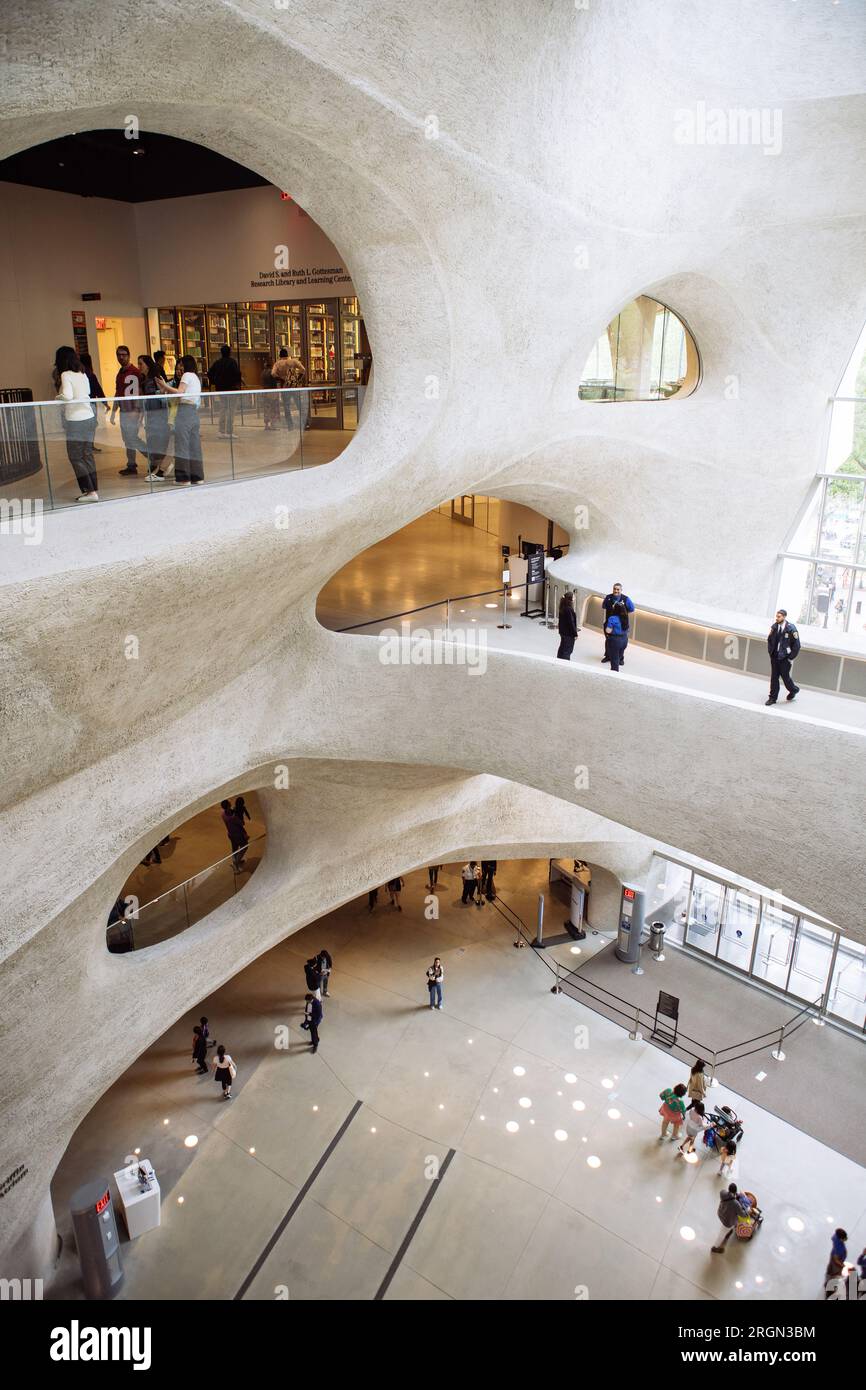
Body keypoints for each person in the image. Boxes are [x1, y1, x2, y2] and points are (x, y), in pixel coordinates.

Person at [54, 346, 98, 501]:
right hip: (89, 418)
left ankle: (90, 491)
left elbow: (67, 395)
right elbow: (86, 393)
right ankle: (93, 489)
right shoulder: (82, 373)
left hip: (76, 420)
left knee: (75, 456)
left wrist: (57, 398)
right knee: (87, 455)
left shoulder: (65, 374)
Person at [162, 355, 204, 484]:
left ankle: (183, 478)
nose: (179, 367)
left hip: (184, 411)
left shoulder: (186, 376)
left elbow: (180, 392)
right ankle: (197, 477)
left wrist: (164, 386)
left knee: (182, 445)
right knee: (194, 446)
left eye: (180, 364)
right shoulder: (196, 377)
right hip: (194, 413)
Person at [110, 344, 146, 476]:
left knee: (132, 438)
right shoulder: (120, 373)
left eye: (123, 355)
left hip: (132, 412)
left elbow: (140, 393)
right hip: (124, 412)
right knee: (128, 440)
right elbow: (118, 393)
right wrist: (113, 412)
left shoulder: (135, 372)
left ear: (129, 355)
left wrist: (139, 413)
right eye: (118, 355)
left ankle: (153, 458)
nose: (121, 357)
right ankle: (131, 465)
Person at [138, 354, 170, 479]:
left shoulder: (153, 379)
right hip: (151, 416)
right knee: (153, 441)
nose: (139, 366)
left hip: (158, 415)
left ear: (147, 364)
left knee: (158, 441)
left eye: (141, 363)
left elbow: (159, 396)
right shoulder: (145, 380)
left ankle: (159, 467)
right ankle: (155, 465)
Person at [766, 608, 801, 705]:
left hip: (785, 658)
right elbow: (769, 640)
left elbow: (797, 645)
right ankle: (772, 698)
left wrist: (790, 658)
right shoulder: (774, 627)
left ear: (784, 617)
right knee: (774, 677)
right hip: (775, 657)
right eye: (776, 616)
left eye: (779, 616)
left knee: (785, 678)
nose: (777, 618)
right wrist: (771, 652)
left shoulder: (791, 629)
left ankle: (794, 690)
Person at [207, 343, 242, 437]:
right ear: (229, 352)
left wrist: (215, 382)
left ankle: (221, 431)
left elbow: (209, 373)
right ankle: (229, 431)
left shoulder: (217, 363)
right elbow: (237, 374)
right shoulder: (232, 362)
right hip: (231, 389)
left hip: (221, 389)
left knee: (223, 408)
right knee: (231, 410)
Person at [79, 352, 109, 453]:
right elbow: (98, 390)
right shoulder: (91, 374)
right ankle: (89, 446)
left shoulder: (79, 374)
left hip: (81, 404)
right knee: (91, 427)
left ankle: (86, 446)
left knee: (84, 427)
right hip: (91, 404)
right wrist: (105, 403)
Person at [271, 347, 308, 430]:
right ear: (287, 355)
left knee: (286, 407)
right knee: (299, 405)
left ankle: (290, 426)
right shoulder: (293, 361)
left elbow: (273, 373)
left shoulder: (277, 364)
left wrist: (281, 379)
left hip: (285, 387)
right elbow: (303, 369)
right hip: (294, 387)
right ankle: (305, 424)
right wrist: (298, 379)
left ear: (280, 355)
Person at [601, 584, 634, 665]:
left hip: (622, 625)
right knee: (608, 641)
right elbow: (603, 606)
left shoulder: (626, 599)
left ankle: (620, 658)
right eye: (614, 589)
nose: (616, 591)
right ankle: (608, 656)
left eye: (618, 589)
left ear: (621, 590)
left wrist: (623, 614)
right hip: (609, 624)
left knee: (621, 642)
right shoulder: (608, 597)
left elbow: (632, 609)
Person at [711, 1183, 744, 1253]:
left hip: (721, 1213)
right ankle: (717, 1247)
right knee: (722, 1234)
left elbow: (725, 1192)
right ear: (735, 1191)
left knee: (726, 1229)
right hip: (727, 1221)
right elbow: (742, 1214)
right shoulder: (736, 1204)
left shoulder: (722, 1193)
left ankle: (728, 1233)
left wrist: (734, 1195)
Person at [220, 799, 248, 871]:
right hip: (238, 835)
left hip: (231, 834)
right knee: (244, 847)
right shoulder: (233, 817)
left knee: (234, 849)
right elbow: (242, 824)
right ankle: (236, 862)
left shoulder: (223, 814)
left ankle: (236, 861)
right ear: (229, 805)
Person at [825, 1228, 848, 1297]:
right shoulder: (839, 1248)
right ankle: (830, 1293)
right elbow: (836, 1259)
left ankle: (827, 1282)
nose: (846, 1239)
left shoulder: (835, 1237)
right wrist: (842, 1265)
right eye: (844, 1238)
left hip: (833, 1257)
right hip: (836, 1262)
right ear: (840, 1238)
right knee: (834, 1276)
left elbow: (833, 1236)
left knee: (830, 1271)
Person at [556, 591, 578, 660]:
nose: (574, 598)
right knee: (567, 650)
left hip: (563, 632)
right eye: (573, 597)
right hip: (568, 634)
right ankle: (565, 663)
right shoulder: (569, 609)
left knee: (562, 647)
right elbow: (571, 623)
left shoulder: (563, 606)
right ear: (570, 599)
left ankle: (559, 659)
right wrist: (575, 634)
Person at [261, 361, 281, 429]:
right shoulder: (272, 372)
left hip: (265, 392)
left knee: (266, 409)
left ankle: (266, 425)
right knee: (273, 408)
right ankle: (273, 424)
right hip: (272, 392)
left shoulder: (263, 372)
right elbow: (275, 381)